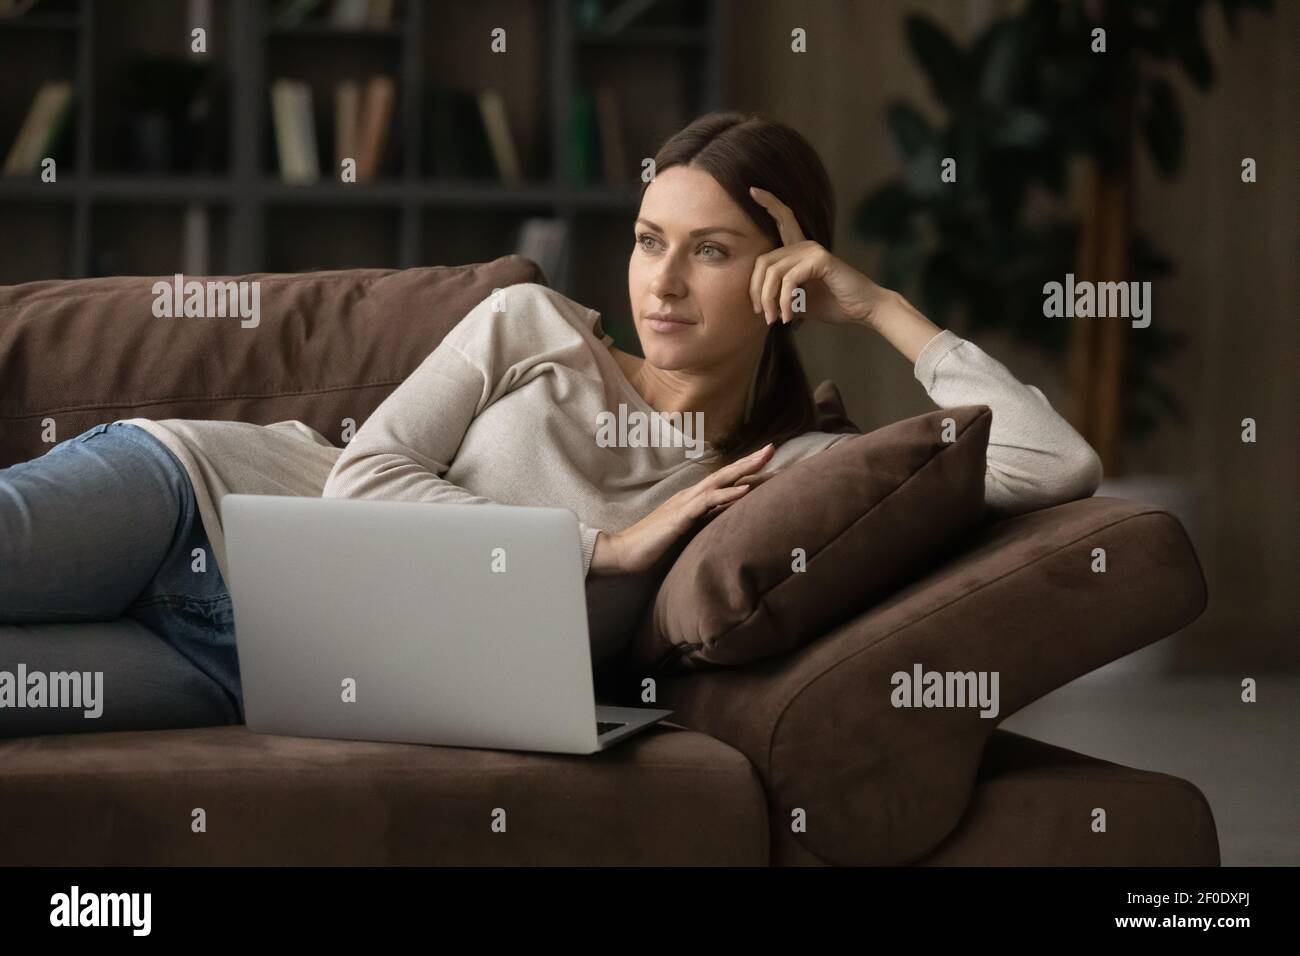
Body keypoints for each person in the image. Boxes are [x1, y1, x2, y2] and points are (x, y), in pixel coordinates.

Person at [0, 111, 1102, 723]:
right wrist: (599, 549)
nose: (663, 280)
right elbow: (364, 477)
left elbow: (1053, 464)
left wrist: (877, 305)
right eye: (648, 240)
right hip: (189, 497)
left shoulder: (783, 470)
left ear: (784, 277)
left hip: (261, 665)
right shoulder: (532, 324)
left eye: (712, 250)